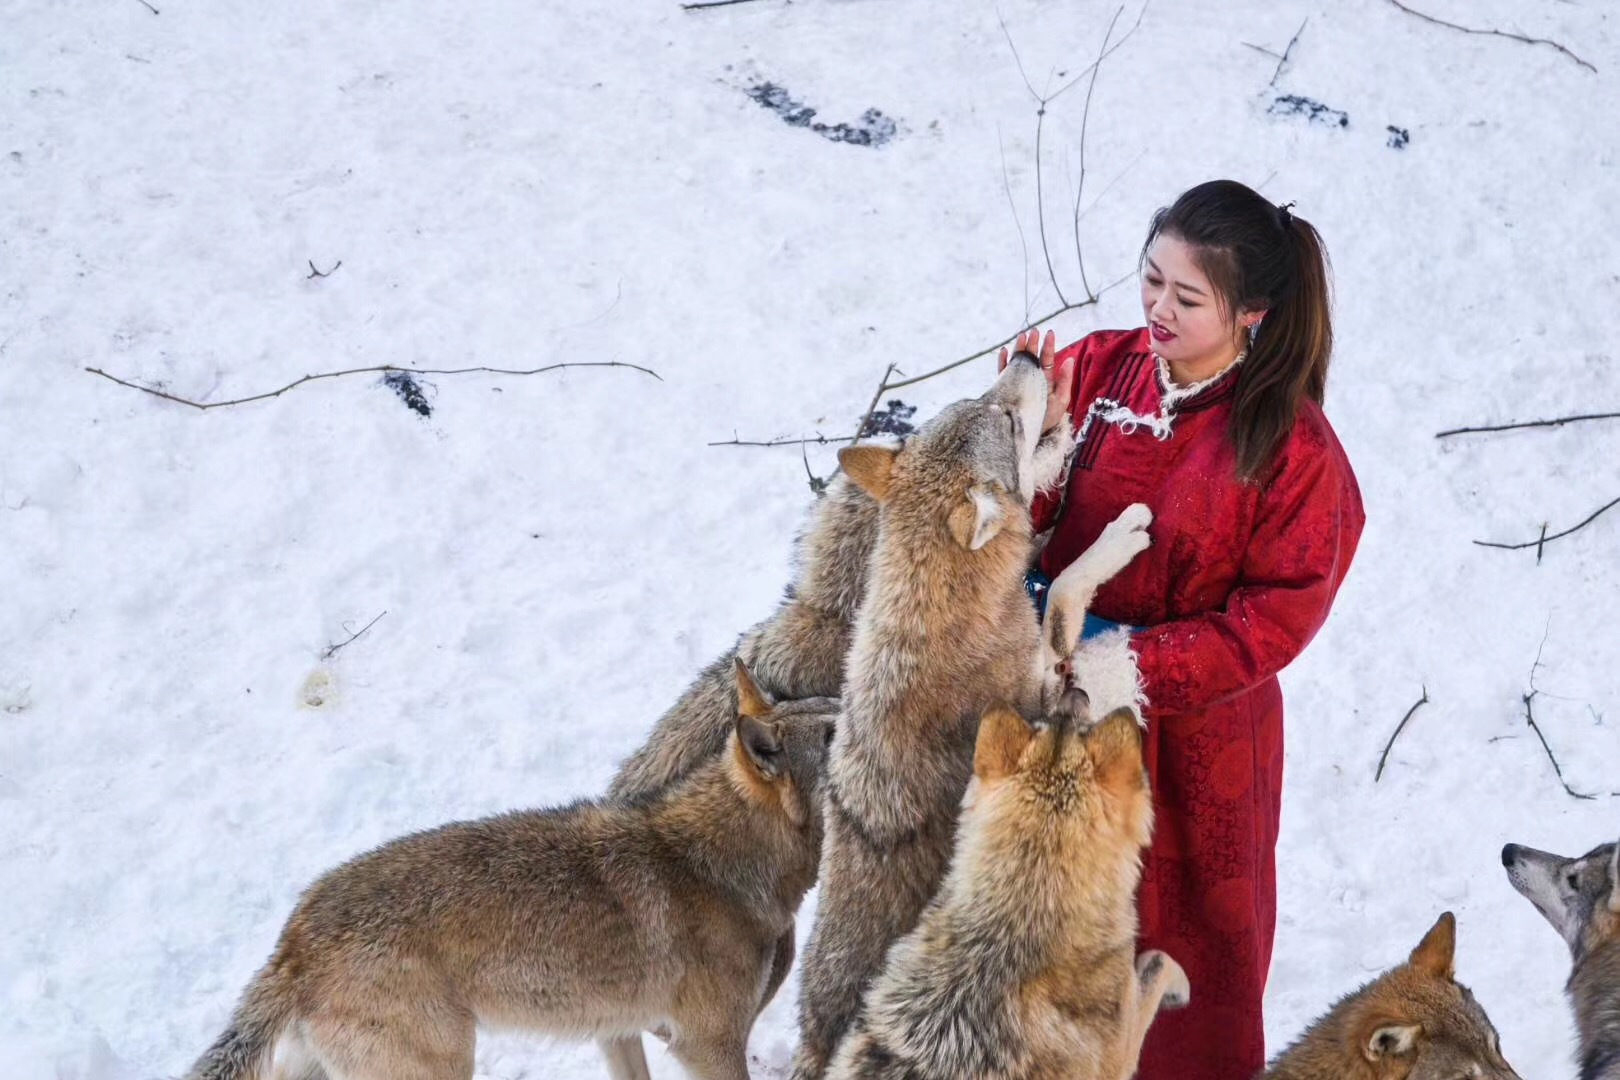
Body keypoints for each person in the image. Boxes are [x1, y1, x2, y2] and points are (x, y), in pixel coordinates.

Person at [997, 179, 1365, 1080]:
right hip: (1052, 705)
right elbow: (1015, 517)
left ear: (1251, 314)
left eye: (1186, 297)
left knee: (1188, 943)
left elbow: (1272, 620)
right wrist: (1027, 447)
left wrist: (1130, 664)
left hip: (1198, 744)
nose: (1156, 307)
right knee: (1039, 935)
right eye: (1150, 279)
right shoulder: (1095, 367)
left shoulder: (1293, 450)